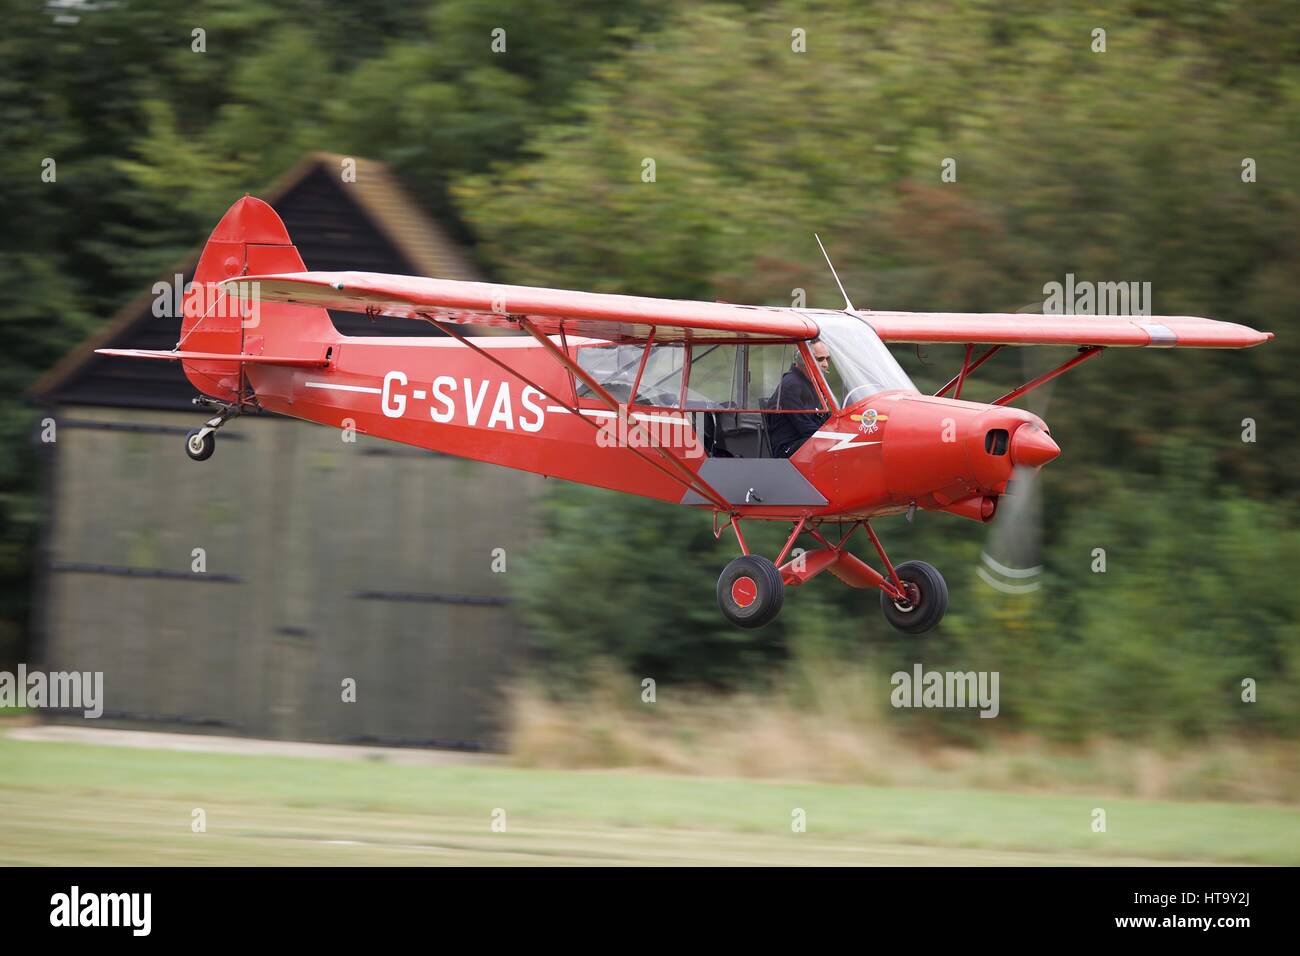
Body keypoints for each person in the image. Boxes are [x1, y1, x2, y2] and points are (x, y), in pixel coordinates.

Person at [767, 340, 831, 457]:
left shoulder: (813, 384)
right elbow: (805, 427)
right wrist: (833, 437)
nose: (826, 364)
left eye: (827, 359)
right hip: (788, 448)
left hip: (805, 441)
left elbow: (825, 420)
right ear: (803, 359)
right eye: (820, 359)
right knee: (833, 446)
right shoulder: (791, 384)